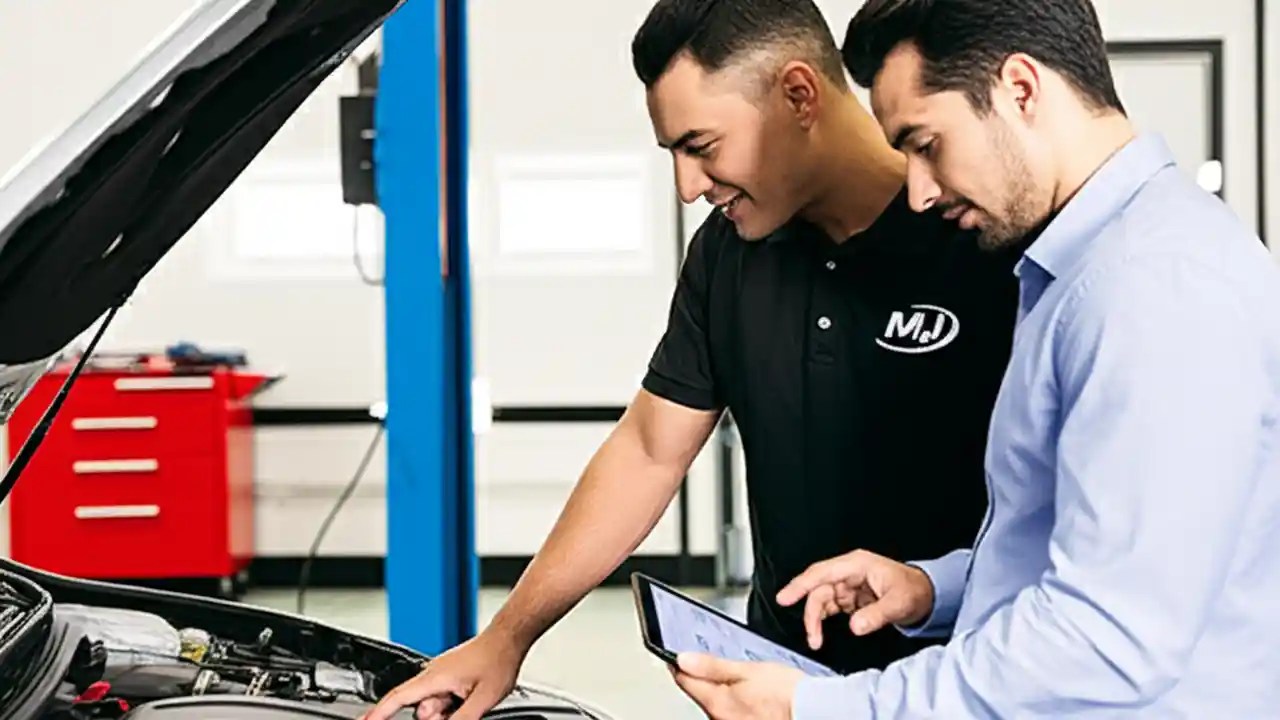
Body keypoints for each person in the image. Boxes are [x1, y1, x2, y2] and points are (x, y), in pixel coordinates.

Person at [363, 1, 1020, 718]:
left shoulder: (984, 236)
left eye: (701, 145)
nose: (687, 185)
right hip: (776, 687)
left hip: (956, 689)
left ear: (799, 95)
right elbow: (648, 452)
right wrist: (507, 638)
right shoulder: (727, 254)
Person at [669, 0, 1280, 718]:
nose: (919, 192)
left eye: (927, 144)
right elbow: (1102, 553)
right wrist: (934, 589)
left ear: (1020, 89)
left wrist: (822, 709)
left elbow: (1108, 636)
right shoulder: (1083, 273)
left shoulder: (1153, 286)